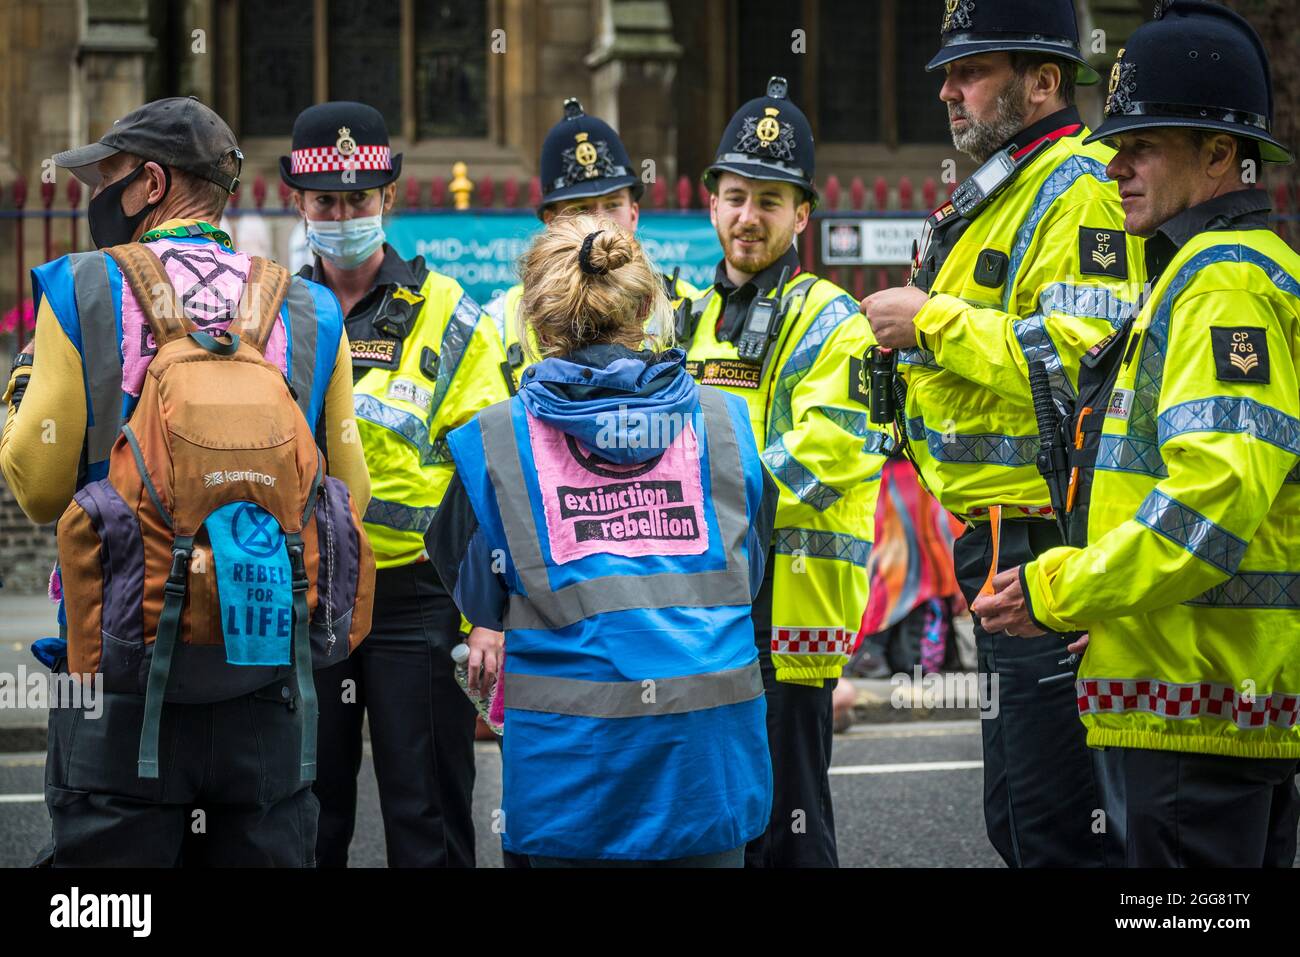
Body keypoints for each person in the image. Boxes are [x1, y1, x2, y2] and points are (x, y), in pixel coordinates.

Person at [0, 96, 369, 866]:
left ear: (154, 183)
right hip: (267, 674)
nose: (95, 195)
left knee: (109, 907)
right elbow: (349, 496)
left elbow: (36, 488)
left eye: (110, 178)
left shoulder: (81, 289)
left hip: (108, 674)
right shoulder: (305, 307)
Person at [975, 0, 1299, 868]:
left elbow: (1213, 502)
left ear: (1220, 154)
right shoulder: (1190, 275)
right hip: (1188, 696)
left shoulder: (1224, 287)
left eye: (1143, 144)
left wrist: (1066, 587)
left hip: (1199, 711)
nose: (1114, 165)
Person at [859, 0, 1147, 867]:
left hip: (1048, 551)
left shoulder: (1083, 187)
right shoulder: (1002, 188)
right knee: (1019, 823)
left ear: (1045, 79)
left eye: (971, 71)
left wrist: (932, 322)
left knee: (1059, 835)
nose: (949, 91)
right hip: (992, 554)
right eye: (948, 72)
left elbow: (1083, 361)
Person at [426, 215, 775, 866]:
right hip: (711, 777)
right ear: (647, 305)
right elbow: (748, 573)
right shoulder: (726, 422)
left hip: (571, 784)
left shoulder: (495, 443)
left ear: (534, 323)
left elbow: (475, 592)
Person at [280, 101, 512, 868]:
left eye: (357, 199)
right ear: (299, 203)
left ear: (388, 199)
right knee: (308, 808)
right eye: (326, 202)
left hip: (417, 595)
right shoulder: (275, 312)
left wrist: (487, 614)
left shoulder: (448, 313)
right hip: (305, 592)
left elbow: (488, 480)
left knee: (429, 809)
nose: (342, 215)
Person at [680, 76, 889, 867]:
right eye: (736, 196)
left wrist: (697, 501)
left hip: (788, 612)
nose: (747, 216)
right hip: (707, 609)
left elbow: (830, 448)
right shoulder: (687, 319)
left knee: (791, 826)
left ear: (802, 214)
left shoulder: (830, 317)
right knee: (723, 818)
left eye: (769, 200)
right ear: (711, 204)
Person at [486, 98, 698, 390]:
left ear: (634, 212)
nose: (600, 222)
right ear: (551, 223)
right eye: (581, 209)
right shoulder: (500, 319)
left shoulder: (692, 307)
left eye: (612, 205)